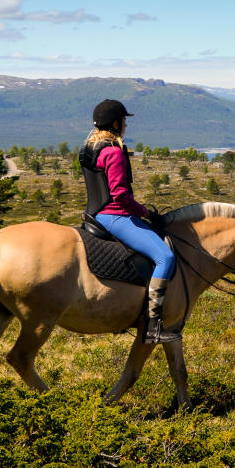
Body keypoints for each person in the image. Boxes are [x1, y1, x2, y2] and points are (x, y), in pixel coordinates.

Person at [79, 99, 179, 344]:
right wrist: (145, 212)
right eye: (124, 121)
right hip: (115, 217)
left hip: (95, 213)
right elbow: (121, 196)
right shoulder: (113, 152)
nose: (126, 125)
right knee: (165, 257)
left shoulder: (90, 148)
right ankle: (153, 325)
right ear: (116, 122)